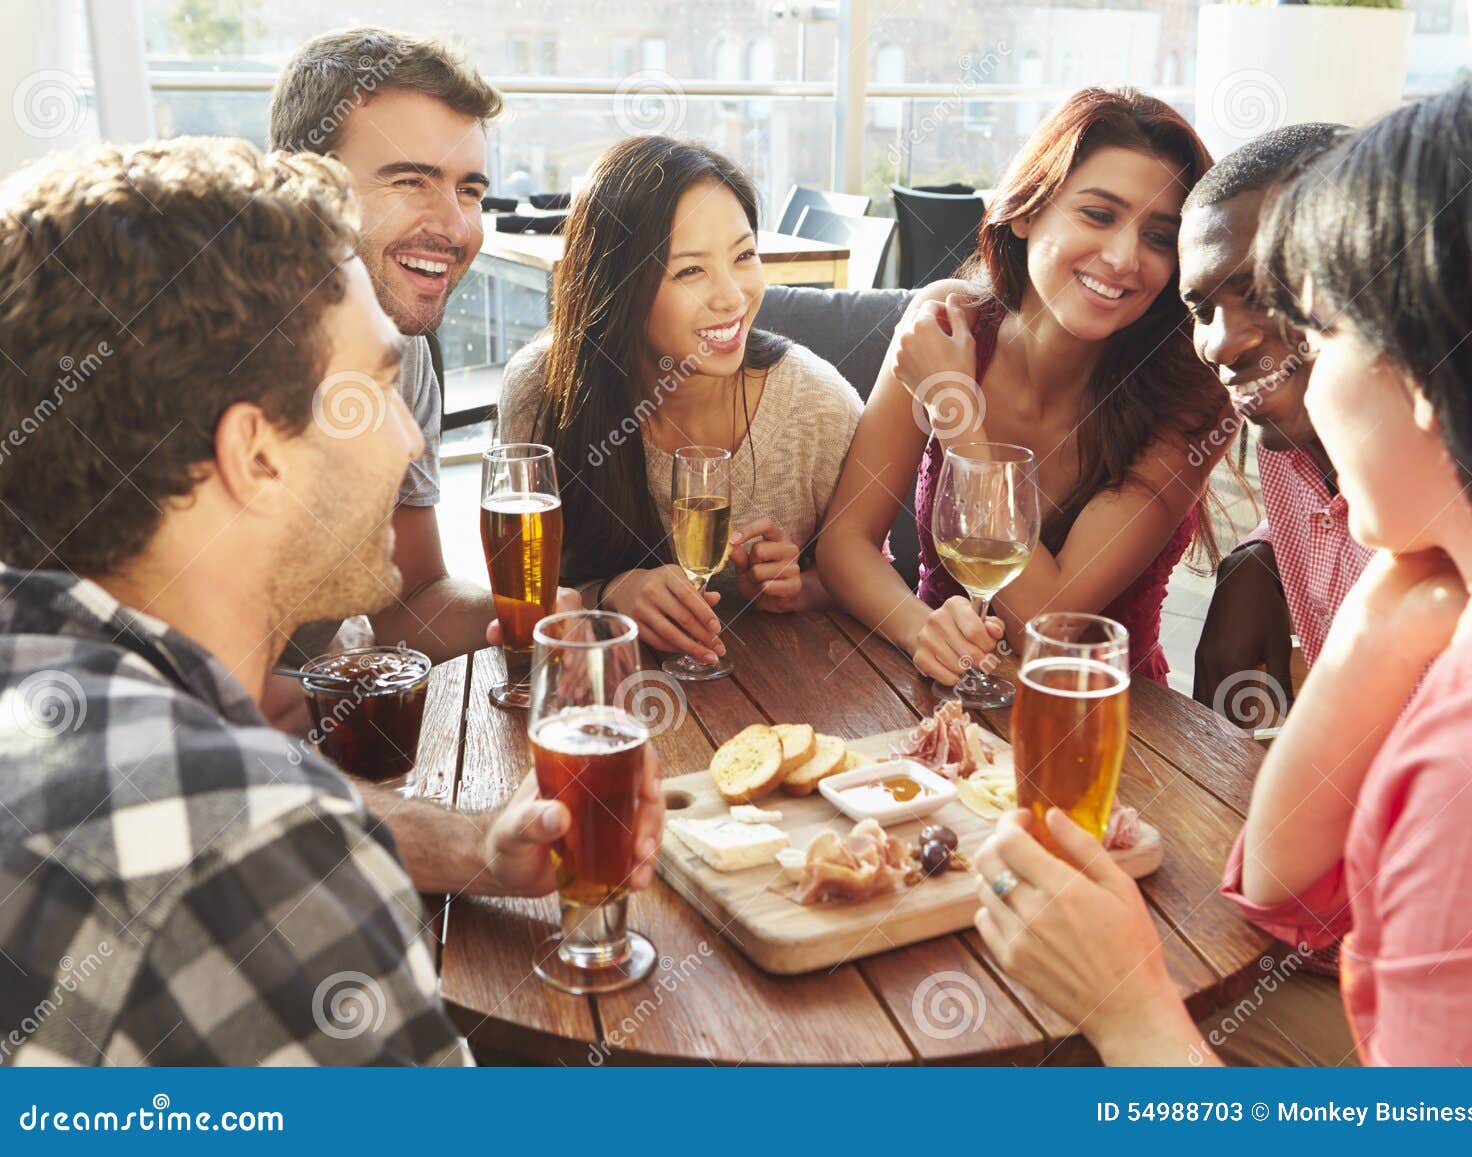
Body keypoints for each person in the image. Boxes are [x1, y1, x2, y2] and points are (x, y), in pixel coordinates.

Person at [972, 69, 1472, 1066]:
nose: (1280, 355)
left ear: (1438, 364)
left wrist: (1126, 1003)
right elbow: (1282, 891)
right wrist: (1377, 621)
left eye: (1328, 319)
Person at [0, 139, 661, 1064]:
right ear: (257, 455)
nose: (405, 443)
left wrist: (475, 846)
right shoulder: (259, 870)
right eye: (380, 390)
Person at [816, 89, 1229, 687]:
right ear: (1028, 209)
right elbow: (846, 543)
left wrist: (957, 414)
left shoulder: (1193, 395)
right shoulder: (949, 324)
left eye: (1160, 237)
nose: (1123, 257)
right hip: (938, 689)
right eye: (1099, 214)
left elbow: (1042, 624)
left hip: (1111, 725)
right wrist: (919, 629)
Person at [266, 27, 580, 672]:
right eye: (411, 180)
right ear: (299, 185)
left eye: (469, 190)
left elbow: (408, 602)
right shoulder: (187, 357)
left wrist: (545, 611)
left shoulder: (401, 358)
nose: (457, 226)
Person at [497, 135, 863, 661]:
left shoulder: (816, 404)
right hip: (599, 705)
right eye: (691, 270)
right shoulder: (543, 387)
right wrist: (609, 596)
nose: (733, 296)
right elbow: (521, 592)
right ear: (617, 284)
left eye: (744, 256)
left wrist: (800, 587)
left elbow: (874, 575)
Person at [1180, 123, 1376, 727]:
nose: (1220, 342)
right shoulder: (1285, 429)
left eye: (1263, 291)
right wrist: (1256, 558)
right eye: (1202, 308)